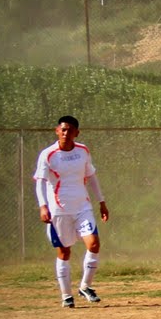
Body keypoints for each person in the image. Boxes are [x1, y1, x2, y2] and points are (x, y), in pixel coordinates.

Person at [34, 115, 109, 308]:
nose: (66, 133)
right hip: (59, 210)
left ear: (77, 132)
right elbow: (40, 183)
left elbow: (91, 176)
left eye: (70, 130)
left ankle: (85, 286)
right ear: (57, 131)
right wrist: (43, 206)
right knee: (64, 251)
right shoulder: (48, 154)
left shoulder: (82, 151)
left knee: (93, 244)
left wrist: (101, 201)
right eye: (63, 130)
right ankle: (66, 295)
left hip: (82, 206)